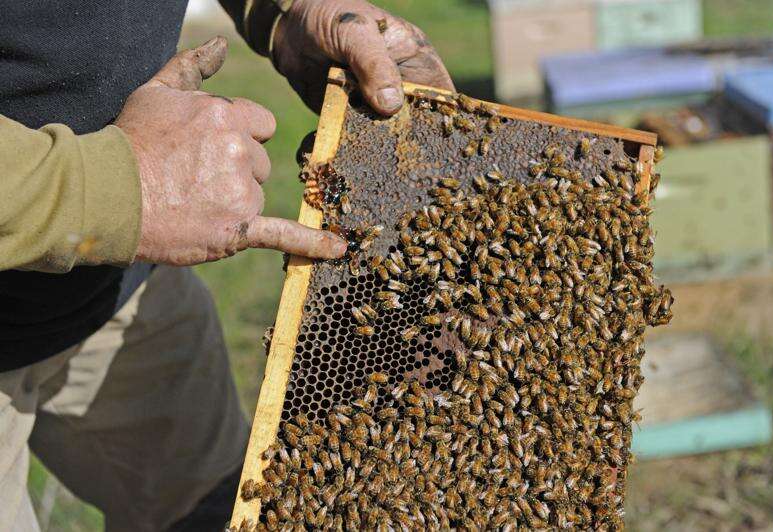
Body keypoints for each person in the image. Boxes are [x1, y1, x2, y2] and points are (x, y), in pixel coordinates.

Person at [0, 0, 453, 530]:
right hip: (95, 228)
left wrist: (287, 10)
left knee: (217, 509)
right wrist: (118, 184)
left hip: (113, 286)